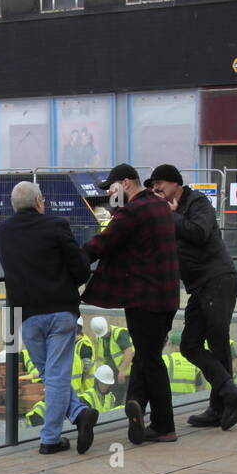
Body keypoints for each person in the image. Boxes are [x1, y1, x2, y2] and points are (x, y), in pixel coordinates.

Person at [0, 180, 97, 454]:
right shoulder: (56, 225)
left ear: (14, 206)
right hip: (60, 311)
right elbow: (81, 267)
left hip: (27, 315)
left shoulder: (3, 232)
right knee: (56, 375)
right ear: (40, 202)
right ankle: (54, 435)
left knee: (48, 374)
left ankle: (75, 416)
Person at [84, 164, 181, 444]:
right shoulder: (160, 205)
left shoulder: (132, 211)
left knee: (151, 360)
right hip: (168, 295)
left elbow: (103, 243)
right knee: (146, 353)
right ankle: (136, 403)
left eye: (111, 188)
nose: (110, 194)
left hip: (143, 297)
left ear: (126, 183)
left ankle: (164, 425)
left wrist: (69, 261)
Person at [149, 163, 237, 429]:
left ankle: (221, 406)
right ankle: (230, 394)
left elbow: (200, 232)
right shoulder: (172, 210)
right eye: (153, 185)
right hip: (199, 286)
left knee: (218, 343)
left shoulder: (196, 201)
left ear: (175, 183)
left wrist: (171, 215)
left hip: (218, 279)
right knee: (189, 345)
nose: (156, 189)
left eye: (159, 183)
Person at [89, 315, 134, 384]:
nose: (104, 335)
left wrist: (122, 370)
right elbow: (104, 358)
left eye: (105, 333)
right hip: (112, 374)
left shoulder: (119, 333)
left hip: (127, 373)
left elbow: (129, 352)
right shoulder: (100, 338)